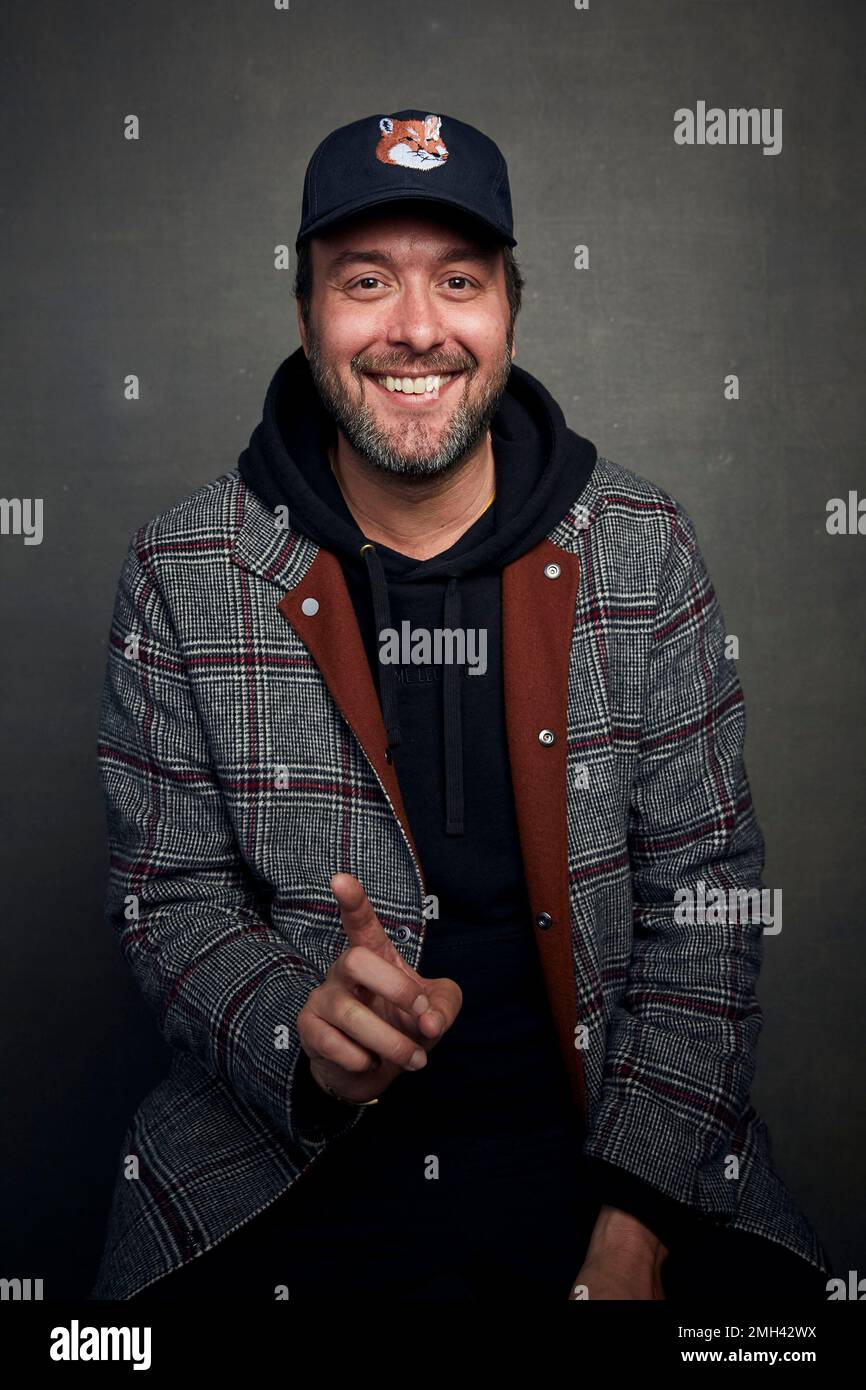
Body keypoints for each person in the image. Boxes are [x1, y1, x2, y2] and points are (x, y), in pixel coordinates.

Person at [91, 109, 831, 1301]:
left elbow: (706, 903)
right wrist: (302, 1033)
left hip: (602, 1148)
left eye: (458, 280)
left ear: (509, 312)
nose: (416, 328)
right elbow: (167, 898)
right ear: (304, 317)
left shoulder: (640, 551)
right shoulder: (186, 567)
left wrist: (635, 1221)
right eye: (366, 280)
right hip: (282, 1163)